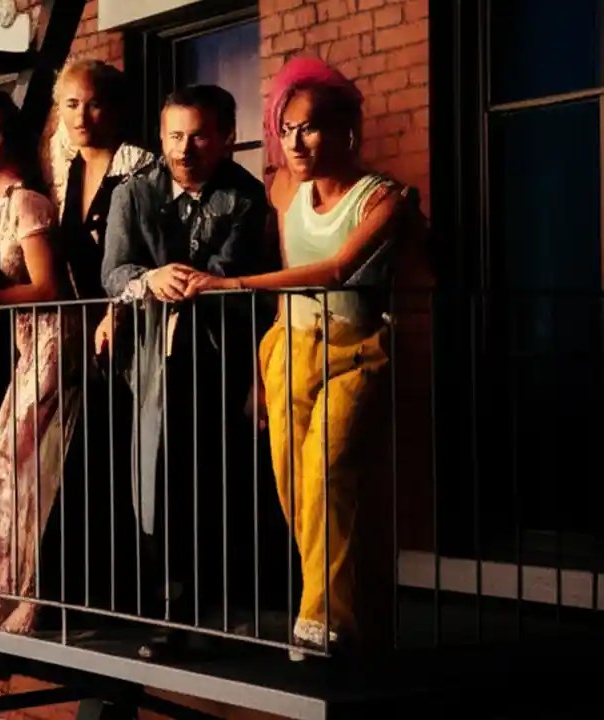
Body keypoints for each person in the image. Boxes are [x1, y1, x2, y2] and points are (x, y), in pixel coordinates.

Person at [178, 57, 424, 657]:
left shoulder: (383, 197)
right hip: (288, 347)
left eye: (308, 128)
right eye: (286, 129)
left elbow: (337, 269)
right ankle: (353, 616)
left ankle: (321, 619)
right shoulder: (282, 187)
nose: (294, 142)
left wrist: (228, 285)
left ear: (346, 131)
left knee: (328, 473)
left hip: (355, 347)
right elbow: (253, 234)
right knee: (295, 488)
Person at [101, 85, 272, 643]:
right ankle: (166, 606)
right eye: (174, 135)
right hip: (146, 357)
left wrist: (189, 281)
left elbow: (229, 269)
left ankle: (209, 606)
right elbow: (113, 272)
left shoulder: (246, 195)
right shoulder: (132, 193)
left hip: (218, 353)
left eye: (198, 136)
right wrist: (150, 278)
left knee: (213, 479)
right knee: (151, 479)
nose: (184, 148)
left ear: (226, 138)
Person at [0, 91, 81, 634]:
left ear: (12, 143)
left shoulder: (27, 202)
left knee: (5, 473)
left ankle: (21, 598)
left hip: (55, 341)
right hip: (28, 344)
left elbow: (48, 287)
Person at [44, 59, 154, 615]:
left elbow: (149, 252)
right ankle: (89, 588)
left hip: (135, 323)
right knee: (90, 454)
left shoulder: (141, 166)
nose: (82, 116)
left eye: (94, 104)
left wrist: (119, 310)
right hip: (85, 331)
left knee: (128, 451)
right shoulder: (64, 166)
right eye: (71, 104)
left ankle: (136, 589)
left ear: (113, 109)